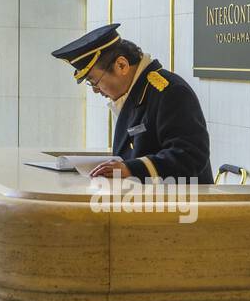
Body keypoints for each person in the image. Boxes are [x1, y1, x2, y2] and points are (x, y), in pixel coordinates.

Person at [51, 24, 214, 183]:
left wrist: (131, 169)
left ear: (122, 65)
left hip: (181, 204)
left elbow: (190, 155)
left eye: (95, 81)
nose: (95, 90)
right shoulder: (136, 92)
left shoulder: (169, 91)